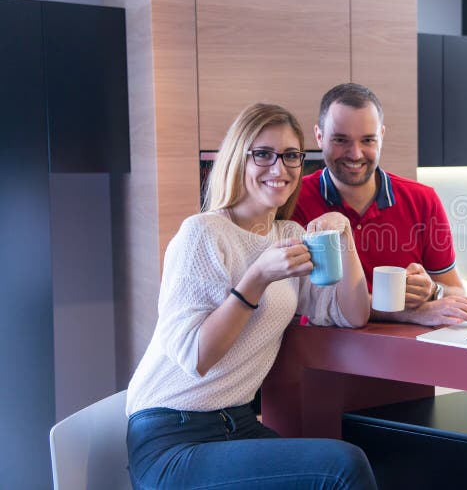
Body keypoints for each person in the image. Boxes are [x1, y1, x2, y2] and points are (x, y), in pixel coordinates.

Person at [125, 103, 377, 489]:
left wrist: (344, 238)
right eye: (263, 154)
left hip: (237, 423)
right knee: (343, 466)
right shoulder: (203, 234)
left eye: (291, 155)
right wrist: (257, 277)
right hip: (172, 435)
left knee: (342, 462)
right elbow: (196, 357)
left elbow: (351, 314)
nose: (280, 168)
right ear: (237, 159)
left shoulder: (288, 236)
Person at [293, 83, 467, 327]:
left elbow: (457, 292)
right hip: (322, 353)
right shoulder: (294, 200)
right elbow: (307, 301)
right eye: (341, 140)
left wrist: (432, 291)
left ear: (381, 136)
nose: (355, 153)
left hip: (406, 354)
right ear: (319, 136)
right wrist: (408, 312)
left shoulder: (422, 199)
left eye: (368, 140)